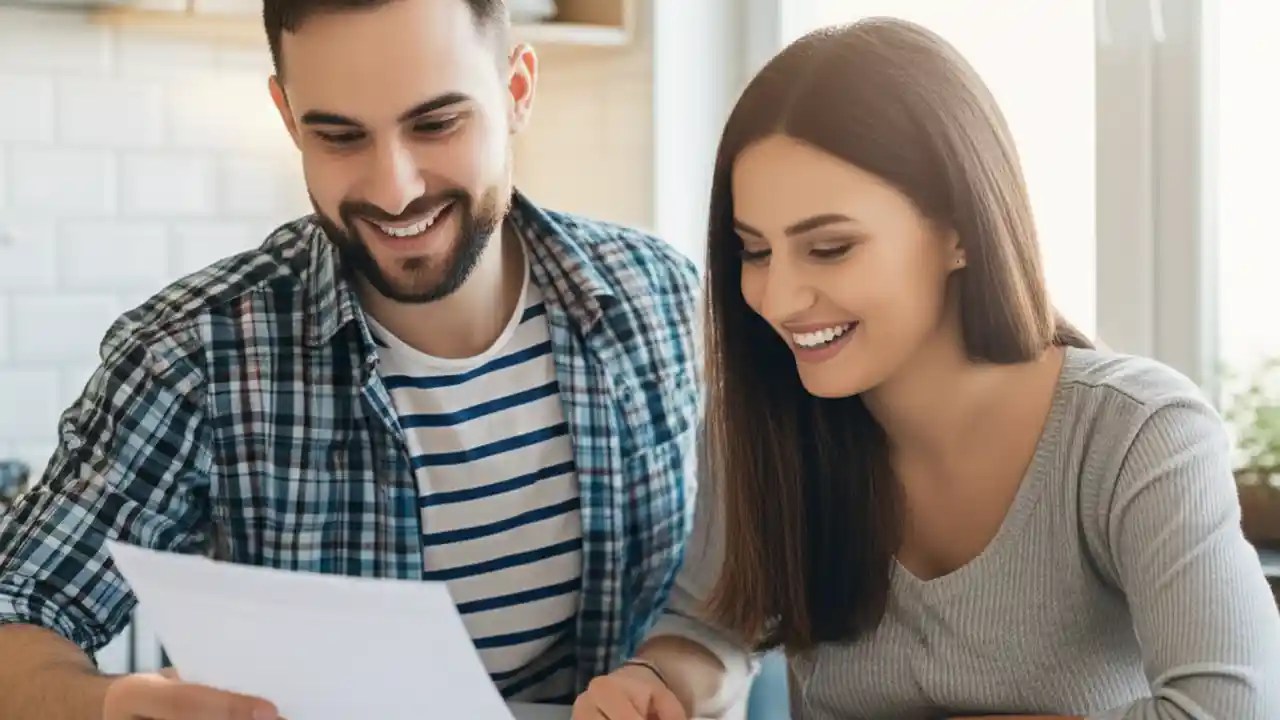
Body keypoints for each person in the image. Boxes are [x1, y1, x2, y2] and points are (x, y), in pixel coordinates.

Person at [0, 1, 701, 718]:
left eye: (435, 123)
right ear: (286, 114)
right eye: (339, 136)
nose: (394, 189)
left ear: (517, 90)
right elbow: (18, 609)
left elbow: (730, 590)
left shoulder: (659, 301)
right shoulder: (196, 355)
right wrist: (110, 705)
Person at [573, 17, 1280, 720]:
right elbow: (710, 627)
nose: (776, 298)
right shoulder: (764, 424)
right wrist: (657, 684)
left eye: (828, 248)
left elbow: (1225, 711)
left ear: (961, 233)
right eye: (755, 251)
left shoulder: (1137, 434)